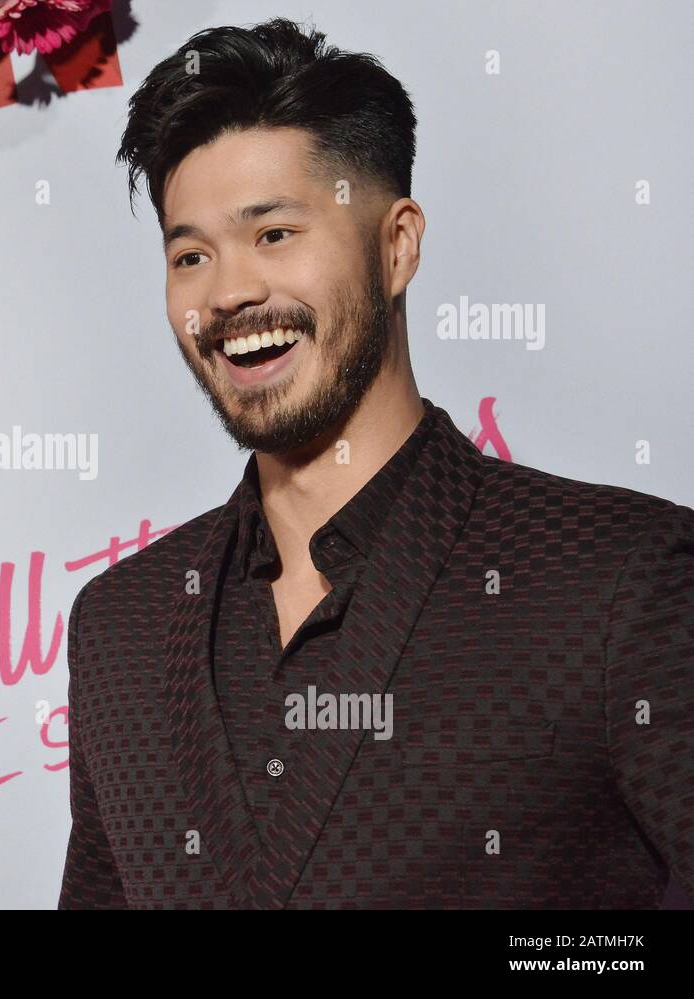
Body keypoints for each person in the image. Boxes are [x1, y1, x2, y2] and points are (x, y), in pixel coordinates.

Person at [58, 17, 693, 908]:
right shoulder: (117, 628)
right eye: (190, 253)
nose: (230, 291)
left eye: (274, 233)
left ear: (396, 246)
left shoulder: (619, 576)